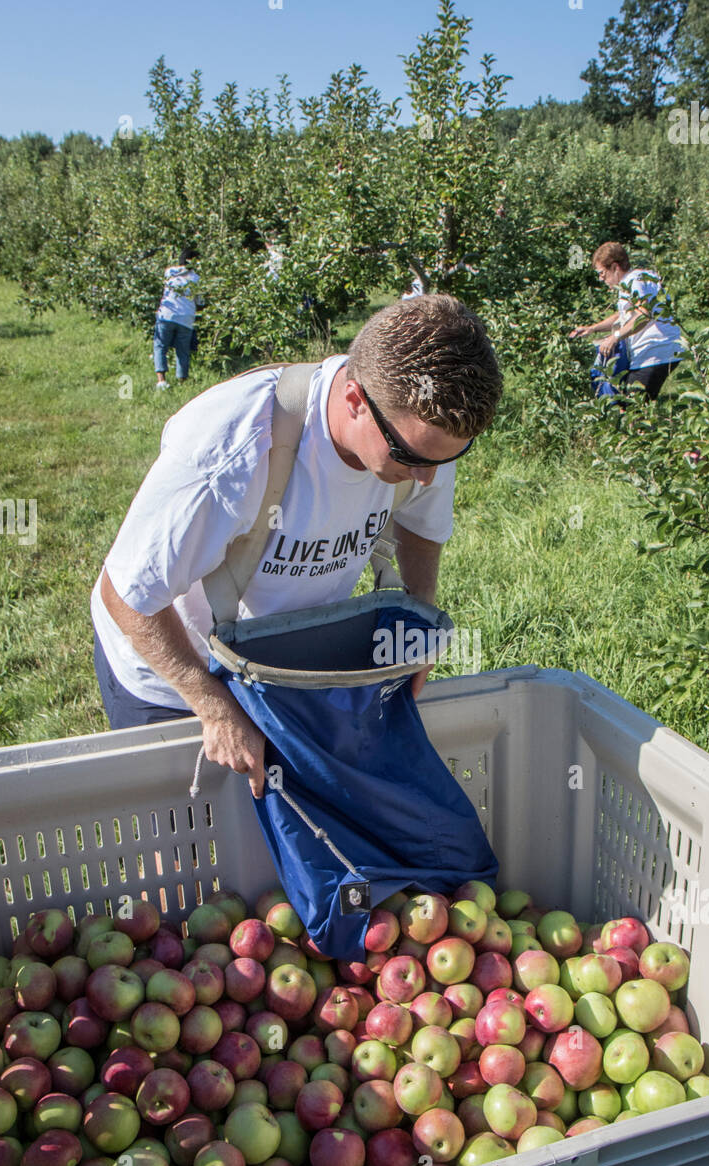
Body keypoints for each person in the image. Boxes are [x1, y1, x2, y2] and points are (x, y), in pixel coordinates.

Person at [92, 293, 502, 797]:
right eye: (411, 456)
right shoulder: (233, 447)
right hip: (174, 661)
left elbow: (421, 525)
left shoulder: (423, 436)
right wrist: (211, 703)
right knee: (187, 841)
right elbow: (127, 594)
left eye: (448, 456)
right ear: (355, 399)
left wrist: (415, 628)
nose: (428, 476)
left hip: (284, 660)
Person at [569, 242, 684, 400]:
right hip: (656, 350)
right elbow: (623, 315)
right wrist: (593, 329)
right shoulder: (633, 282)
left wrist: (615, 337)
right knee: (630, 403)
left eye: (602, 273)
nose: (601, 278)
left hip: (655, 350)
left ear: (615, 267)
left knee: (634, 407)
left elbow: (644, 314)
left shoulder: (635, 280)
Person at [153, 246, 202, 390]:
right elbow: (200, 302)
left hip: (167, 313)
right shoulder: (196, 278)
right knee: (183, 350)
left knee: (160, 346)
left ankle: (161, 381)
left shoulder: (170, 272)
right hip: (186, 317)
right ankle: (182, 381)